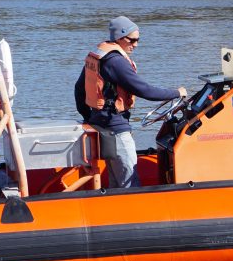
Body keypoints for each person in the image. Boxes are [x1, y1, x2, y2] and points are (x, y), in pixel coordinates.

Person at [74, 16, 186, 189]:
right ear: (119, 37)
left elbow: (79, 90)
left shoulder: (100, 55)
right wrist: (176, 93)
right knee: (129, 181)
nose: (136, 44)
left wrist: (91, 117)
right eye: (132, 40)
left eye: (138, 40)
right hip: (116, 128)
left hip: (102, 125)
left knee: (115, 180)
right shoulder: (116, 62)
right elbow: (144, 90)